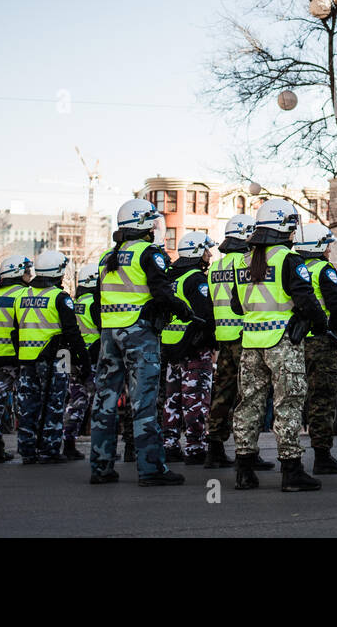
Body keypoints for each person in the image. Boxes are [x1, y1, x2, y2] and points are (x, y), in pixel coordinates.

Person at [89, 199, 188, 486]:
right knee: (143, 402)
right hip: (138, 334)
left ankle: (101, 467)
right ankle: (151, 468)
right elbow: (161, 292)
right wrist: (181, 310)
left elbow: (98, 301)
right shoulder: (149, 253)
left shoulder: (108, 257)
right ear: (144, 225)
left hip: (110, 334)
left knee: (105, 401)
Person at [230, 199, 323, 492]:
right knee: (289, 403)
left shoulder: (243, 261)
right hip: (282, 342)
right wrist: (318, 324)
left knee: (249, 403)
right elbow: (307, 299)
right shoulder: (288, 259)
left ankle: (244, 470)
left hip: (250, 342)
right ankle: (291, 470)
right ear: (285, 227)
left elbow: (236, 305)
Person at [294, 223, 337, 475]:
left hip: (297, 342)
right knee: (323, 398)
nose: (328, 251)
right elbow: (335, 306)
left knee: (296, 398)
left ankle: (290, 455)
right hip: (321, 343)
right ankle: (322, 455)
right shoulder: (324, 269)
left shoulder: (298, 268)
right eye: (325, 246)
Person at [206, 214, 268, 469]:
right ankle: (248, 452)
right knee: (249, 396)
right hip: (244, 337)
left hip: (223, 338)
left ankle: (215, 448)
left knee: (222, 394)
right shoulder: (245, 263)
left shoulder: (215, 268)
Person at [16, 249, 87, 464]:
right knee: (55, 404)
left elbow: (15, 328)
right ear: (57, 271)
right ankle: (49, 450)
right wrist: (83, 360)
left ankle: (27, 450)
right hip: (57, 357)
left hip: (27, 358)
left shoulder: (22, 295)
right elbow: (72, 332)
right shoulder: (59, 297)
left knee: (28, 405)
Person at [161, 231, 217, 466]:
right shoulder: (196, 280)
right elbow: (205, 315)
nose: (209, 255)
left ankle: (170, 445)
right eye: (206, 250)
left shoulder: (170, 277)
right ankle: (195, 448)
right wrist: (210, 341)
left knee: (171, 399)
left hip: (171, 346)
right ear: (196, 252)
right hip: (194, 349)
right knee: (195, 400)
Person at [0, 255, 30, 464]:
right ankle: (27, 448)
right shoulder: (24, 294)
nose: (31, 275)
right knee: (25, 403)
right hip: (19, 358)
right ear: (19, 272)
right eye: (28, 271)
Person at [62, 263, 101, 460]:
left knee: (76, 402)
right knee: (100, 403)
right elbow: (103, 329)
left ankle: (68, 441)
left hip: (75, 358)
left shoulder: (75, 302)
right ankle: (100, 447)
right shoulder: (94, 302)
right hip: (93, 359)